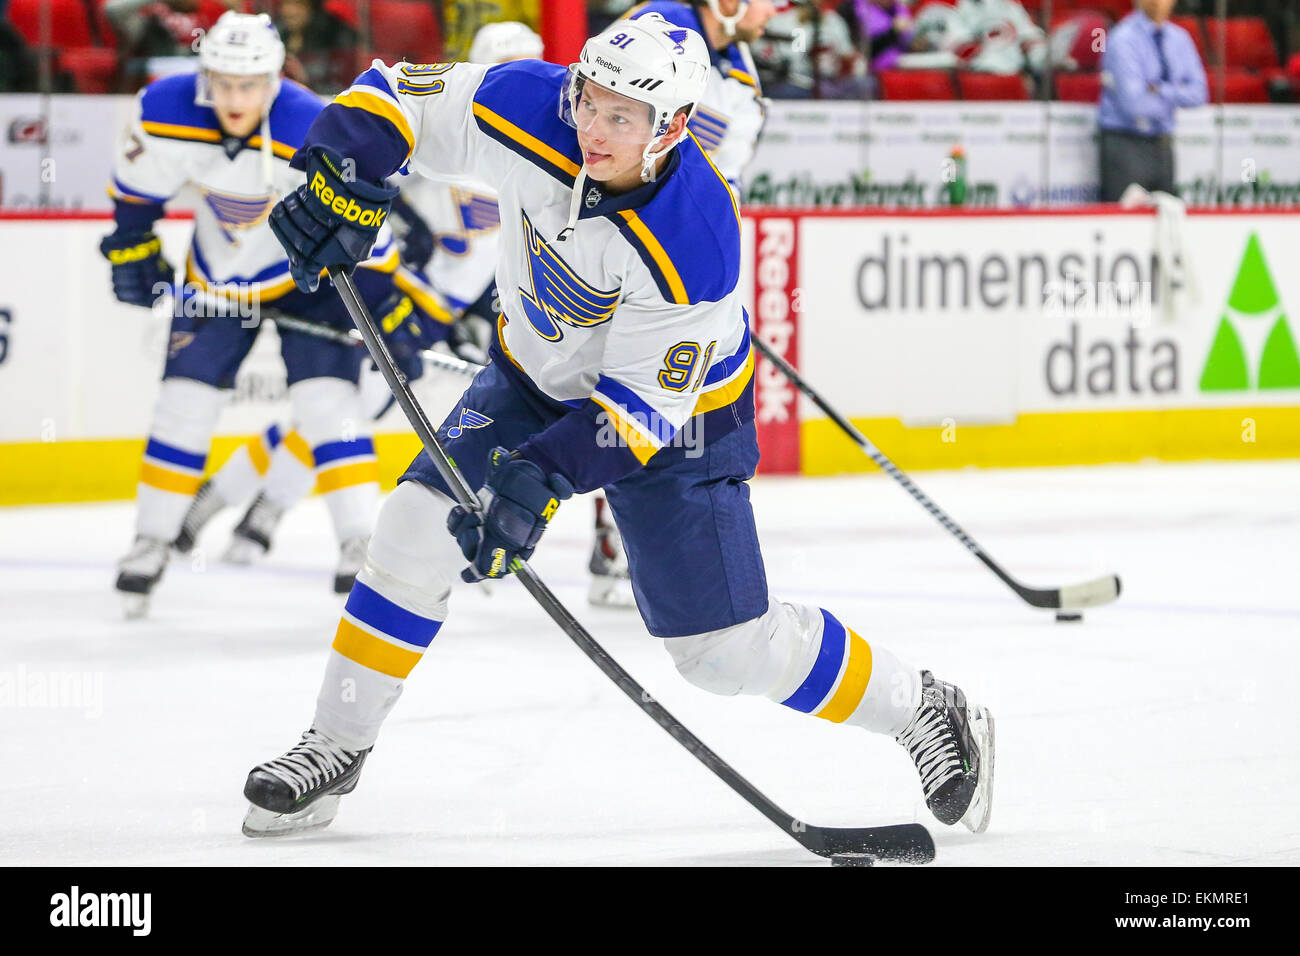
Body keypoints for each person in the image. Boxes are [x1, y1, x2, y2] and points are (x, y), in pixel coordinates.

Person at [240, 13, 995, 839]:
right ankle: (336, 745)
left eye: (620, 116)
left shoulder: (695, 236)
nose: (591, 127)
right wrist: (340, 173)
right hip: (532, 378)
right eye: (588, 99)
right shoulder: (530, 103)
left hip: (680, 424)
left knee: (723, 653)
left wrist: (533, 485)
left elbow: (635, 416)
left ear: (669, 128)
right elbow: (395, 96)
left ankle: (924, 707)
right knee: (413, 532)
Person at [102, 12, 439, 613]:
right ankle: (149, 541)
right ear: (205, 74)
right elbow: (136, 191)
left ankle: (357, 542)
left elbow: (364, 229)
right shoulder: (165, 106)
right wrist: (134, 242)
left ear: (273, 77)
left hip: (304, 277)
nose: (235, 98)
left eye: (249, 84)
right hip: (217, 275)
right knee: (184, 403)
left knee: (328, 403)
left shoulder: (314, 122)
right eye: (223, 83)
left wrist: (384, 306)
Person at [1097, 0, 1207, 202]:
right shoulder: (1123, 38)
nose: (1158, 2)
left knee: (1166, 221)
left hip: (1162, 144)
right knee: (1124, 224)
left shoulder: (1179, 39)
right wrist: (1175, 97)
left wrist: (1160, 90)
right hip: (1125, 144)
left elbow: (1199, 93)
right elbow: (1134, 105)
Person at [275, 0, 359, 95]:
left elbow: (340, 86)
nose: (289, 11)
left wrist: (306, 79)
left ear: (312, 8)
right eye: (285, 4)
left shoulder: (336, 35)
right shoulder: (277, 33)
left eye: (297, 4)